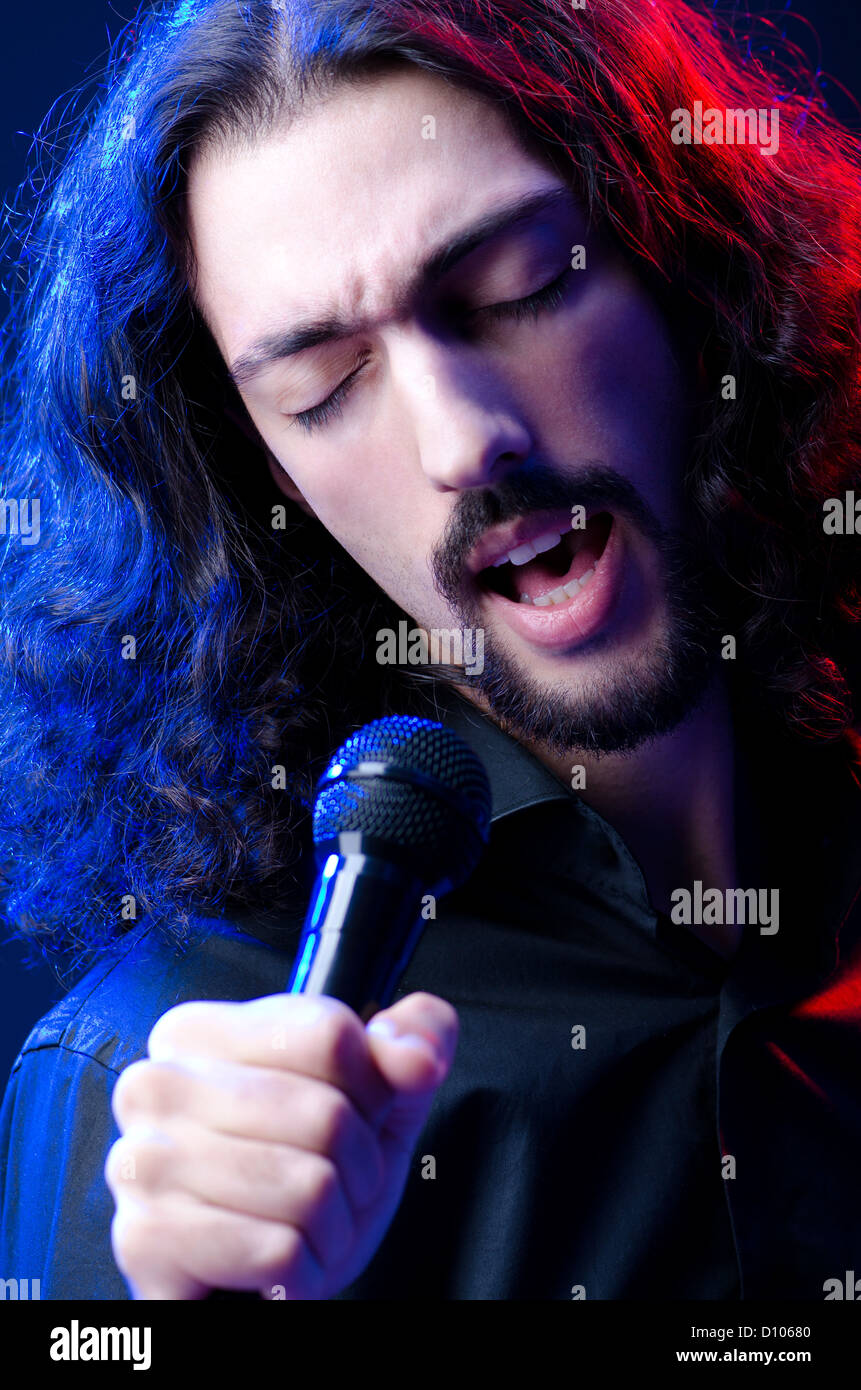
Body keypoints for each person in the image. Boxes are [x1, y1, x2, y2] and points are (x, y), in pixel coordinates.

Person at [1, 0, 860, 1301]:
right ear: (265, 471)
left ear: (686, 260)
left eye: (518, 285)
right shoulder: (158, 1080)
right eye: (325, 387)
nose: (462, 440)